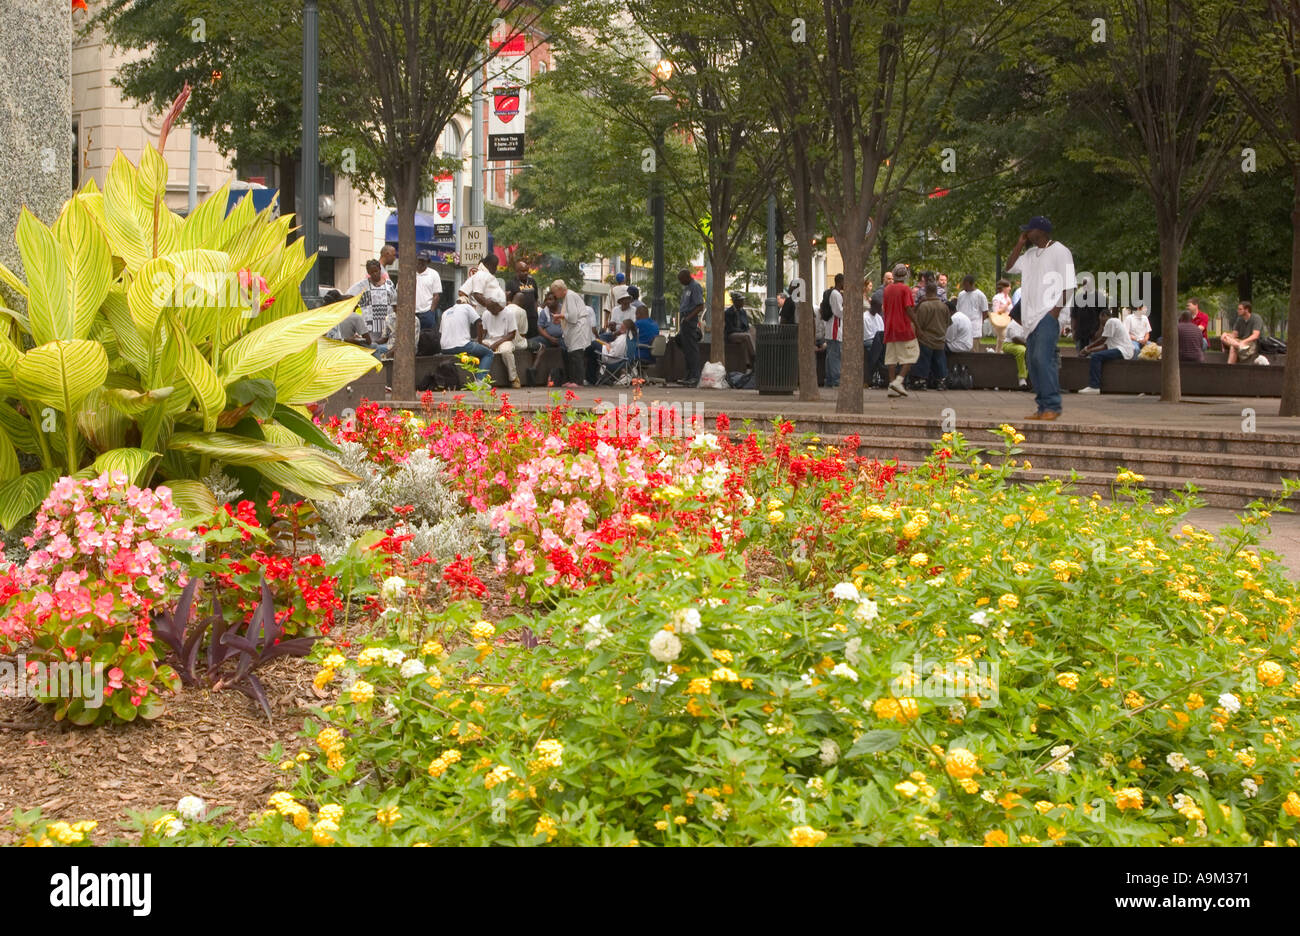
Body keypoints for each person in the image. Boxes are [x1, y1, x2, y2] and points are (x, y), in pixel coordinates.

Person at [1005, 215, 1074, 420]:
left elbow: (1069, 285)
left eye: (1030, 230)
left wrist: (1055, 312)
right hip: (1030, 317)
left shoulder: (1061, 251)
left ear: (1041, 232)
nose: (1026, 233)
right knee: (1032, 362)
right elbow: (1009, 267)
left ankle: (1052, 405)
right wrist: (1019, 244)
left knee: (1042, 359)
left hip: (1048, 314)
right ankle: (1043, 406)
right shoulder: (1029, 254)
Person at [1077, 307, 1134, 393]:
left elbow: (1102, 339)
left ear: (1104, 316)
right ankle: (1094, 385)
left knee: (1096, 357)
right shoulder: (1115, 322)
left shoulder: (1111, 321)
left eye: (1100, 319)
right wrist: (1090, 351)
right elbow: (1105, 346)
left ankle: (1094, 386)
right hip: (1124, 350)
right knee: (1096, 355)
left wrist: (1087, 348)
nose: (1101, 322)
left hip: (1122, 350)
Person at [882, 263, 919, 397]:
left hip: (890, 327)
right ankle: (899, 380)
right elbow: (908, 308)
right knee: (912, 353)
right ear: (905, 276)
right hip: (903, 327)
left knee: (891, 358)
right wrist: (917, 324)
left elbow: (884, 308)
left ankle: (891, 385)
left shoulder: (887, 290)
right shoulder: (906, 290)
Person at [551, 278, 597, 386]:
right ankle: (573, 380)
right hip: (576, 327)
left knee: (577, 355)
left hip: (578, 327)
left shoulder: (570, 296)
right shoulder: (568, 296)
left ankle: (578, 381)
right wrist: (562, 318)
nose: (554, 295)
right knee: (573, 355)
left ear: (560, 289)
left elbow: (572, 316)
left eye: (554, 292)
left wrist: (560, 316)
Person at [439, 290, 492, 381]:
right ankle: (480, 380)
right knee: (488, 353)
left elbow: (441, 332)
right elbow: (479, 323)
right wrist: (480, 342)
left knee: (474, 348)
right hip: (462, 346)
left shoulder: (445, 312)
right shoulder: (467, 307)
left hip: (445, 348)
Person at [912, 281, 952, 390]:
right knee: (940, 361)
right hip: (940, 340)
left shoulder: (924, 306)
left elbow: (919, 323)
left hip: (926, 339)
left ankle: (921, 381)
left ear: (926, 292)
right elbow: (948, 322)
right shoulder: (944, 307)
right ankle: (941, 381)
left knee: (923, 361)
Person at [484, 290, 528, 387]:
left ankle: (513, 378)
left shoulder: (508, 313)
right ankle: (481, 379)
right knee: (478, 349)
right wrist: (480, 343)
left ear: (497, 305)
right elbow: (484, 332)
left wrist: (496, 344)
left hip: (505, 340)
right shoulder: (486, 313)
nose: (490, 311)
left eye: (491, 308)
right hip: (490, 340)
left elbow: (512, 334)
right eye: (488, 309)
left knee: (506, 351)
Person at [347, 259, 398, 338]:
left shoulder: (389, 284)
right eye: (371, 272)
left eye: (376, 271)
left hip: (387, 323)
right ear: (368, 272)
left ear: (380, 269)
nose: (374, 274)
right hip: (369, 325)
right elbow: (349, 296)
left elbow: (394, 302)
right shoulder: (362, 286)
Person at [675, 269, 704, 387]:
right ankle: (688, 375)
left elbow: (700, 306)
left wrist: (688, 318)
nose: (681, 282)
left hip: (689, 320)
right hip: (684, 319)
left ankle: (695, 376)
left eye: (682, 280)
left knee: (692, 349)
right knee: (686, 349)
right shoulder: (686, 288)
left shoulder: (695, 287)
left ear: (687, 277)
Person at [725, 291, 756, 371]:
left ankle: (748, 365)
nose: (743, 302)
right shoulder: (728, 312)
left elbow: (745, 325)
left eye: (743, 300)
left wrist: (746, 330)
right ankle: (755, 355)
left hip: (742, 335)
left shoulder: (743, 312)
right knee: (747, 336)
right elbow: (729, 328)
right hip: (732, 335)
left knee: (750, 335)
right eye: (741, 300)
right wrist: (742, 332)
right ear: (735, 301)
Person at [864, 278, 886, 386]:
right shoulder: (865, 317)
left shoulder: (878, 317)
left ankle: (880, 373)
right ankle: (874, 371)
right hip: (868, 341)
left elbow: (882, 332)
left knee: (881, 348)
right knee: (878, 349)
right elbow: (868, 335)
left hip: (877, 342)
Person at [825, 273, 845, 388]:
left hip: (833, 328)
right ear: (840, 282)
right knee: (835, 355)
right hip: (835, 329)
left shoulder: (835, 293)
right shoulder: (836, 294)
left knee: (831, 355)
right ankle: (836, 379)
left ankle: (829, 379)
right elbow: (838, 312)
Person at [954, 274, 987, 341]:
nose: (964, 287)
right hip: (962, 327)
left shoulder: (980, 295)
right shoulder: (961, 294)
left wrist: (980, 322)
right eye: (963, 285)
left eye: (966, 285)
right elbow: (958, 309)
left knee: (973, 349)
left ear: (971, 284)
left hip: (974, 328)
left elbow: (985, 311)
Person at [414, 252, 441, 331]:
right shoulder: (410, 273)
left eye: (423, 260)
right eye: (419, 260)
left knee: (427, 338)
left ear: (428, 262)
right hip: (412, 313)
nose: (421, 262)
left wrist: (431, 312)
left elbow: (436, 296)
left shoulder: (434, 274)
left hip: (426, 313)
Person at [1000, 317, 1029, 389]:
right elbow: (1015, 339)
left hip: (1023, 344)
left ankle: (1029, 377)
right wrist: (1027, 345)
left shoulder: (1027, 323)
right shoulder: (1014, 324)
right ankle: (1022, 377)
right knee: (1022, 350)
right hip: (1009, 344)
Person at [989, 279, 1013, 348]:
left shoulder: (1008, 298)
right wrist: (1006, 305)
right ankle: (999, 354)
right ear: (1003, 288)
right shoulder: (997, 298)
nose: (1010, 288)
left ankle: (1000, 353)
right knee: (1003, 338)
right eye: (1008, 287)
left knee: (1005, 340)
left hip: (1008, 321)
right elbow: (996, 312)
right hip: (1000, 322)